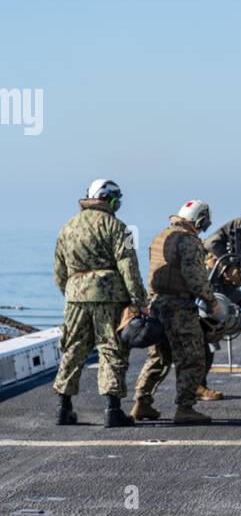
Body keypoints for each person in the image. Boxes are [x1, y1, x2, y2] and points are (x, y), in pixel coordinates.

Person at [52, 178, 146, 428]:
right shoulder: (118, 227)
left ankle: (63, 408)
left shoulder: (68, 226)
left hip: (75, 296)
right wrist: (138, 299)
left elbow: (59, 269)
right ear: (110, 199)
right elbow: (129, 265)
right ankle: (113, 410)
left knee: (73, 348)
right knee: (110, 348)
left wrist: (71, 292)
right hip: (108, 297)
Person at [131, 200, 218, 426]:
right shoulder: (189, 241)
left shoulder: (161, 236)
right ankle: (185, 407)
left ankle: (141, 402)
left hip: (157, 303)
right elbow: (196, 277)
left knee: (159, 356)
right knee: (191, 357)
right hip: (179, 308)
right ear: (199, 220)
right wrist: (211, 300)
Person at [197, 201, 241, 401]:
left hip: (228, 289)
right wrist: (229, 263)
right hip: (208, 281)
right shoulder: (238, 226)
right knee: (206, 334)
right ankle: (198, 385)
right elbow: (211, 243)